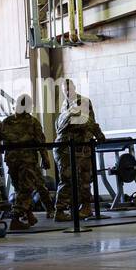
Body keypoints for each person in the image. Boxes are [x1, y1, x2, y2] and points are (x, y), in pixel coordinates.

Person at [53, 81, 106, 221]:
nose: (67, 92)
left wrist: (99, 134)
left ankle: (86, 207)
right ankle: (61, 210)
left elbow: (86, 121)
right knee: (68, 180)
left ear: (74, 88)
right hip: (67, 149)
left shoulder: (82, 102)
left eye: (69, 89)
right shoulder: (65, 105)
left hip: (82, 148)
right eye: (64, 90)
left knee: (85, 179)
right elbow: (60, 125)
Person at [0, 94, 48, 229]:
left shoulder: (7, 121)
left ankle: (29, 214)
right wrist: (45, 158)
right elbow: (40, 141)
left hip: (12, 162)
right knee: (25, 190)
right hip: (27, 161)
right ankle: (15, 219)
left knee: (20, 189)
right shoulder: (32, 122)